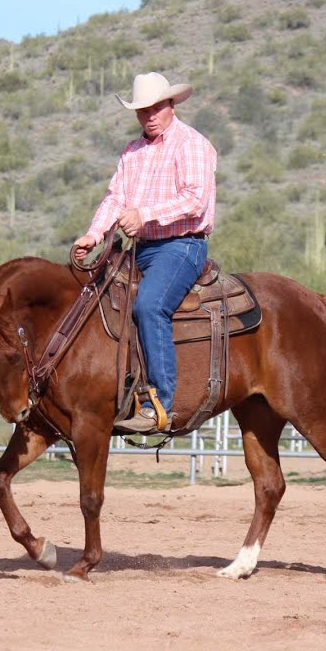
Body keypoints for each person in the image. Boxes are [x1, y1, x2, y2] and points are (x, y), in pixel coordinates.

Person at [73, 72, 219, 433]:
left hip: (181, 246)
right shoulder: (132, 152)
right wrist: (94, 234)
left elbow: (195, 199)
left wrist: (145, 214)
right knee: (92, 301)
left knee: (150, 306)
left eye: (156, 108)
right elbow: (116, 199)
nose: (149, 116)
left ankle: (159, 404)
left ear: (171, 105)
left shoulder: (192, 144)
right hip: (138, 247)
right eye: (142, 110)